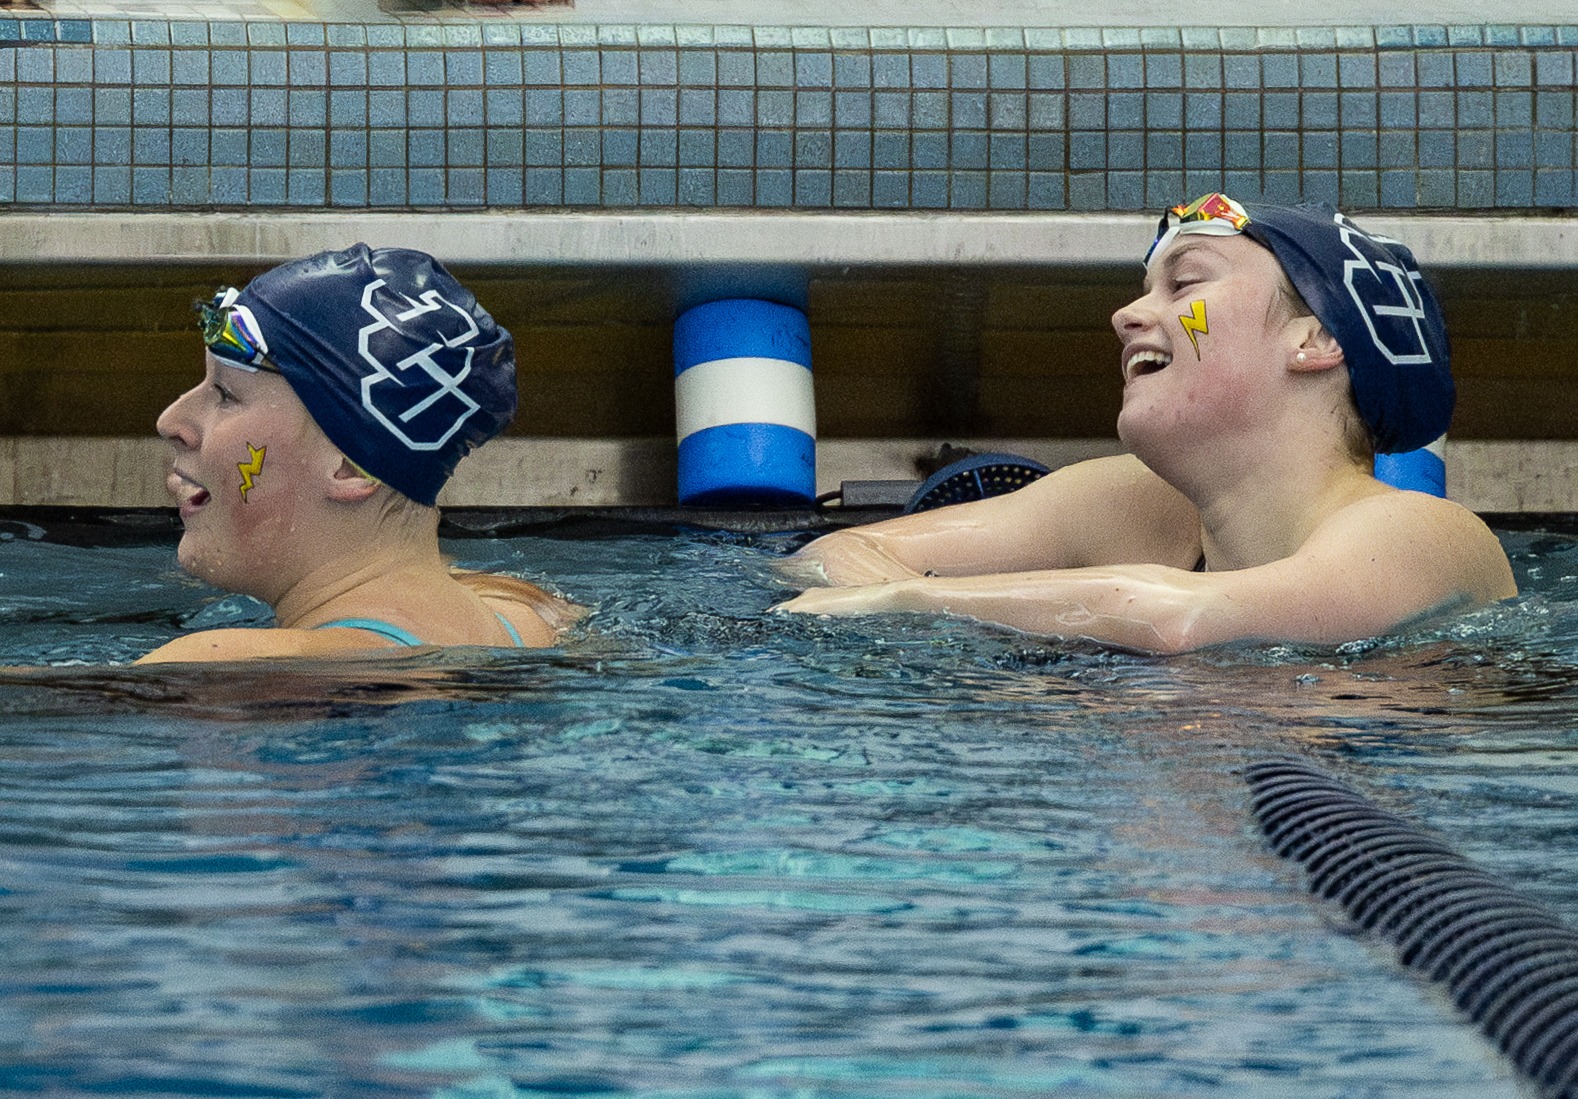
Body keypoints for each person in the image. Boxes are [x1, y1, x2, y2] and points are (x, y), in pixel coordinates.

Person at [776, 193, 1517, 653]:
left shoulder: (1422, 535)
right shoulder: (1135, 504)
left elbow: (1174, 621)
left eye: (1186, 282)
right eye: (1144, 290)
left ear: (1317, 339)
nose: (1127, 316)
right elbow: (840, 554)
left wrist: (911, 600)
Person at [136, 244, 579, 663]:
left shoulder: (223, 668)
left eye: (226, 395)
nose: (170, 421)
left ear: (348, 467)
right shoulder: (531, 616)